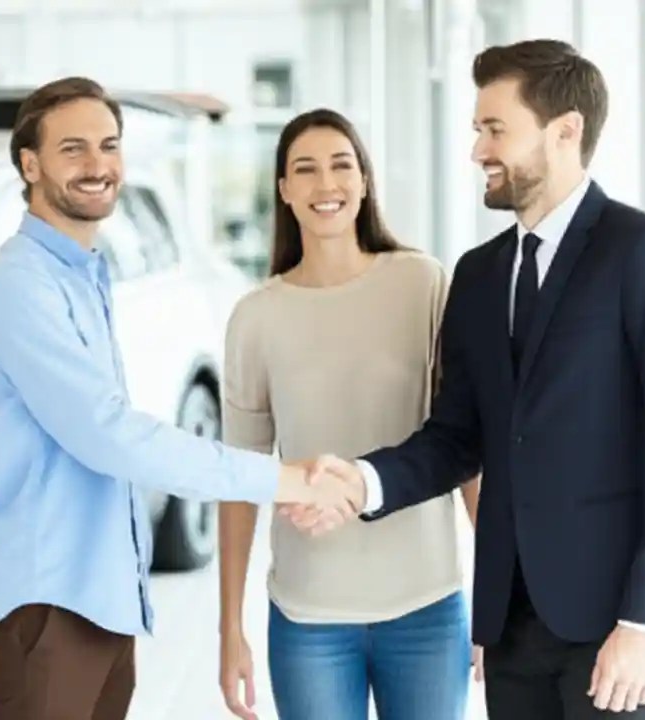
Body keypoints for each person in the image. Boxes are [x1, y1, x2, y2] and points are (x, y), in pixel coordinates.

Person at [288, 40, 645, 719]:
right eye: (476, 130)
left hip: (617, 620)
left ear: (565, 131)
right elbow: (458, 438)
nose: (477, 151)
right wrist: (362, 481)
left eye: (495, 129)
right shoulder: (481, 274)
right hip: (512, 622)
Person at [0, 77, 361, 720]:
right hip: (46, 604)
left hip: (97, 600)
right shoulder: (18, 285)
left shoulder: (86, 273)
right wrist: (286, 479)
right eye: (73, 150)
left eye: (109, 145)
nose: (97, 166)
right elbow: (107, 434)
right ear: (29, 165)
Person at [216, 108, 481, 720]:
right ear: (283, 190)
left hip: (426, 607)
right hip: (309, 618)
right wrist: (231, 627)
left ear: (364, 180)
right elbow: (238, 482)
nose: (325, 184)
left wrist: (497, 598)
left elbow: (465, 445)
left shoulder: (423, 284)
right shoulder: (257, 316)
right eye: (304, 169)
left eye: (341, 165)